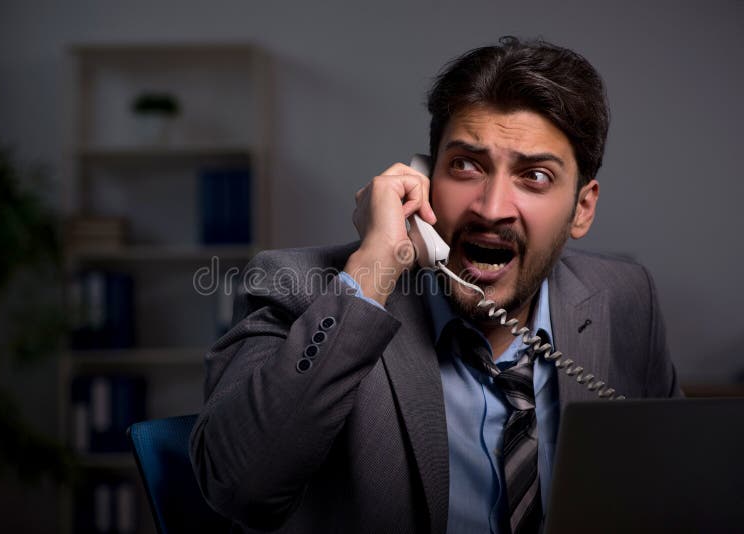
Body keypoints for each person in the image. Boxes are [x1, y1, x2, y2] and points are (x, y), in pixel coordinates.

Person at [190, 36, 681, 534]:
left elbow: (673, 486)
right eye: (465, 165)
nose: (491, 208)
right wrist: (372, 273)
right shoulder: (296, 287)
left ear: (582, 208)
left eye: (534, 176)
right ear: (422, 178)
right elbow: (239, 489)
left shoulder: (625, 297)